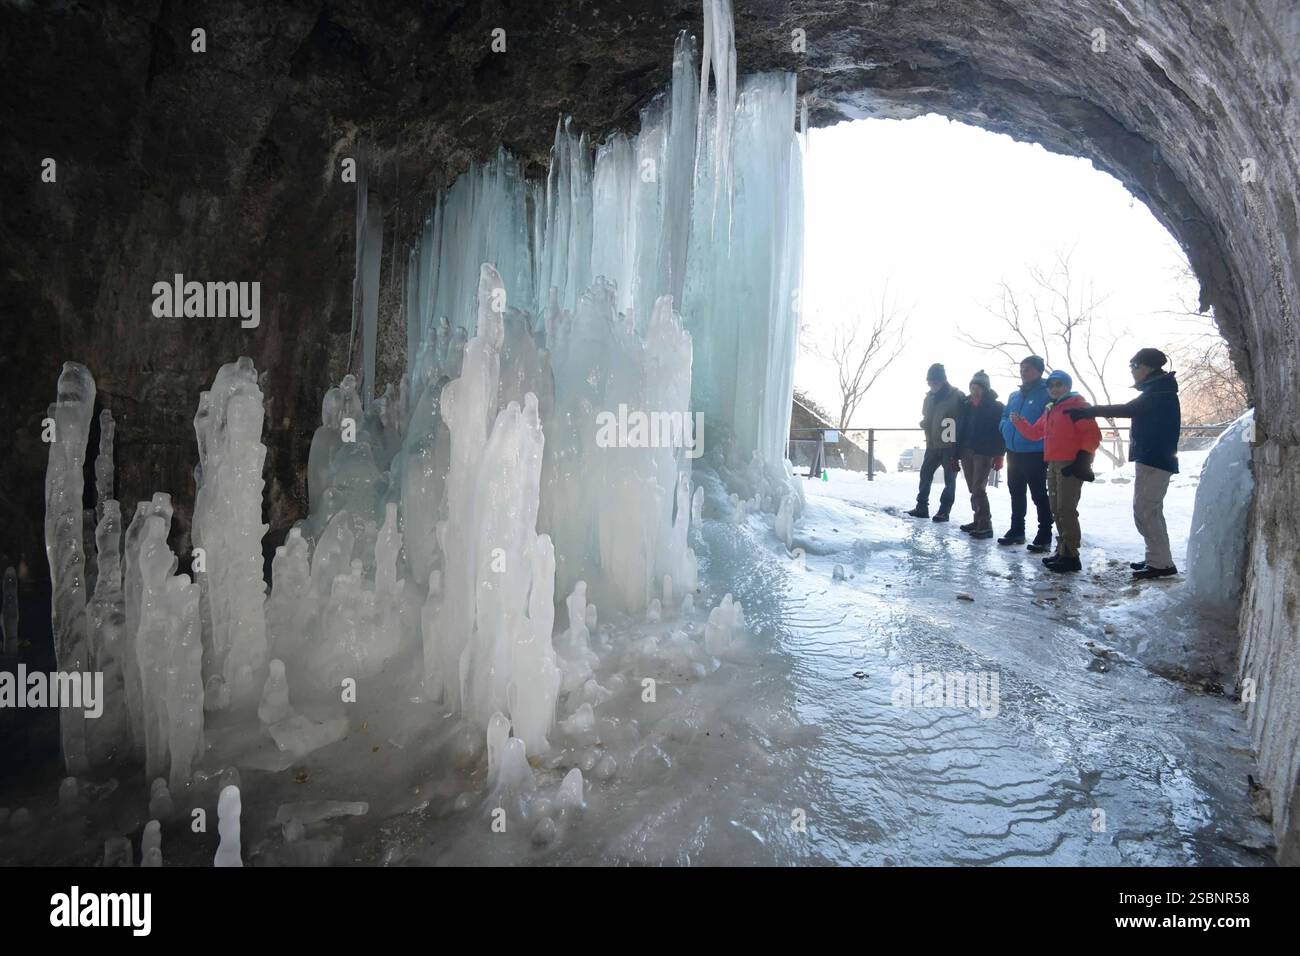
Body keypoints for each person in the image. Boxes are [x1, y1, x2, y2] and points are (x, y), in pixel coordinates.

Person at [1068, 348, 1181, 580]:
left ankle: (1161, 564)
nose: (1132, 371)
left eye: (1134, 366)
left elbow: (1128, 409)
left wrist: (1089, 411)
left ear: (1148, 367)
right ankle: (1157, 557)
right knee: (1148, 511)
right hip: (1151, 457)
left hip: (1155, 458)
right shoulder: (1157, 388)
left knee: (1147, 511)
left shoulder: (1159, 391)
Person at [1009, 370, 1102, 573]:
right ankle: (1062, 550)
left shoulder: (1077, 406)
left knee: (1066, 508)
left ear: (1067, 386)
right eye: (1051, 385)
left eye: (1059, 384)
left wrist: (1082, 461)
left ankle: (1071, 555)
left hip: (1070, 463)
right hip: (1052, 463)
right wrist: (1019, 423)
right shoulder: (1051, 408)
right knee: (1056, 509)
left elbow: (1092, 436)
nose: (1054, 388)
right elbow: (1035, 433)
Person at [998, 355, 1054, 552]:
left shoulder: (1047, 392)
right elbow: (1005, 415)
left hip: (1035, 452)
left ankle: (1044, 535)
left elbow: (1051, 420)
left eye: (1027, 369)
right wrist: (1004, 427)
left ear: (1039, 371)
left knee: (1038, 494)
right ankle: (1017, 530)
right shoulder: (1014, 395)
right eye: (1021, 369)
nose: (1023, 372)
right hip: (1013, 451)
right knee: (1016, 492)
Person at [906, 363, 964, 522]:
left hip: (950, 446)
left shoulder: (957, 396)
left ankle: (944, 511)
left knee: (949, 479)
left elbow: (964, 421)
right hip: (932, 444)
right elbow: (927, 417)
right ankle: (921, 507)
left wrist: (959, 447)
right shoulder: (929, 398)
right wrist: (925, 423)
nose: (932, 385)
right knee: (925, 474)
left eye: (935, 382)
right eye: (929, 382)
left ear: (943, 380)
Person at [955, 370, 1006, 539]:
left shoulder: (996, 407)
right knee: (973, 488)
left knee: (979, 488)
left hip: (984, 452)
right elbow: (960, 429)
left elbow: (1000, 432)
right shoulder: (966, 405)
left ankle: (985, 524)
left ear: (985, 389)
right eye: (972, 387)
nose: (975, 390)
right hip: (966, 450)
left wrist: (999, 455)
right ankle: (977, 519)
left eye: (978, 387)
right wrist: (956, 453)